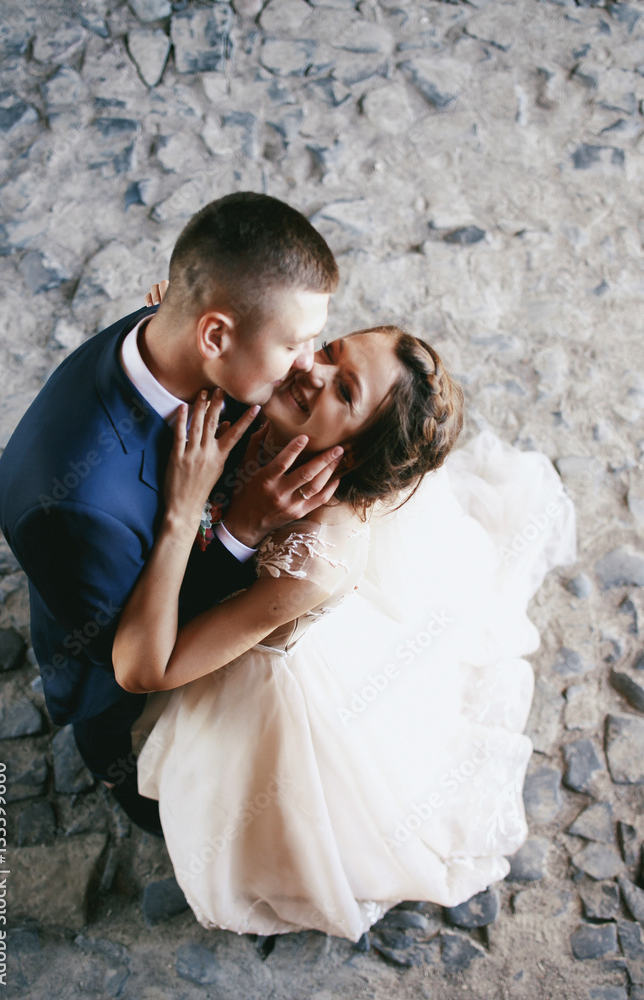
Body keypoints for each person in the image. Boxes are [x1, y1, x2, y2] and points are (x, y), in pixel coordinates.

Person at [112, 300, 577, 940]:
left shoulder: (314, 561)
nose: (313, 372)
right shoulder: (285, 398)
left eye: (345, 390)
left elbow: (153, 668)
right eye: (331, 351)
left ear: (351, 459)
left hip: (247, 676)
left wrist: (185, 511)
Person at [0, 192, 346, 837]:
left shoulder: (167, 330)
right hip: (111, 664)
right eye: (296, 341)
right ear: (214, 334)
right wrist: (235, 528)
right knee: (128, 750)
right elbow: (136, 654)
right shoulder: (77, 505)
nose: (308, 363)